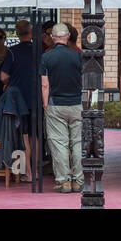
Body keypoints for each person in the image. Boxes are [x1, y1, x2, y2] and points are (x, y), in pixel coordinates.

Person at [40, 23, 84, 193]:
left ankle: (63, 181)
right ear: (67, 37)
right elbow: (85, 81)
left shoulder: (46, 57)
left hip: (55, 104)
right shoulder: (78, 56)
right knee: (78, 143)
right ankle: (79, 181)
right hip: (76, 104)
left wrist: (46, 104)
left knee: (59, 143)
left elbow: (45, 84)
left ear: (52, 37)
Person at [0, 20, 38, 181]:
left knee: (23, 136)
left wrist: (8, 82)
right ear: (31, 33)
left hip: (19, 100)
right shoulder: (39, 50)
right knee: (35, 136)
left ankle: (27, 172)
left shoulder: (12, 52)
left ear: (16, 33)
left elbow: (3, 76)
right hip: (37, 98)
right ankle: (35, 171)